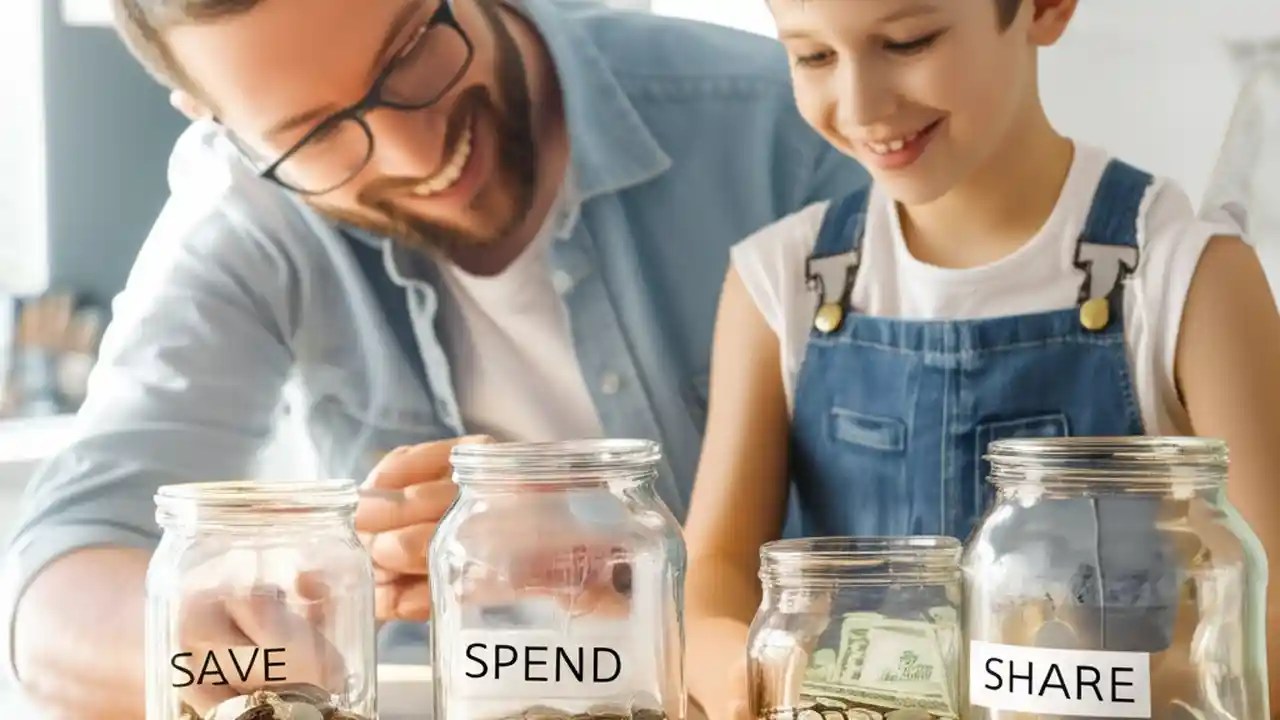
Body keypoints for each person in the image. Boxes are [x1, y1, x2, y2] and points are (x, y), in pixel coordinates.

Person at [0, 0, 868, 716]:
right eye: (316, 135)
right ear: (219, 124)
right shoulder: (245, 215)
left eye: (413, 49)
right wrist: (230, 660)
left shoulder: (804, 128)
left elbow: (934, 590)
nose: (419, 157)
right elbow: (58, 579)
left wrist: (611, 564)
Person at [681, 0, 1280, 716]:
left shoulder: (1191, 275)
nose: (862, 104)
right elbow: (710, 571)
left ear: (1045, 9)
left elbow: (1265, 616)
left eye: (908, 41)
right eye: (813, 56)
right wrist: (738, 680)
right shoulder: (777, 281)